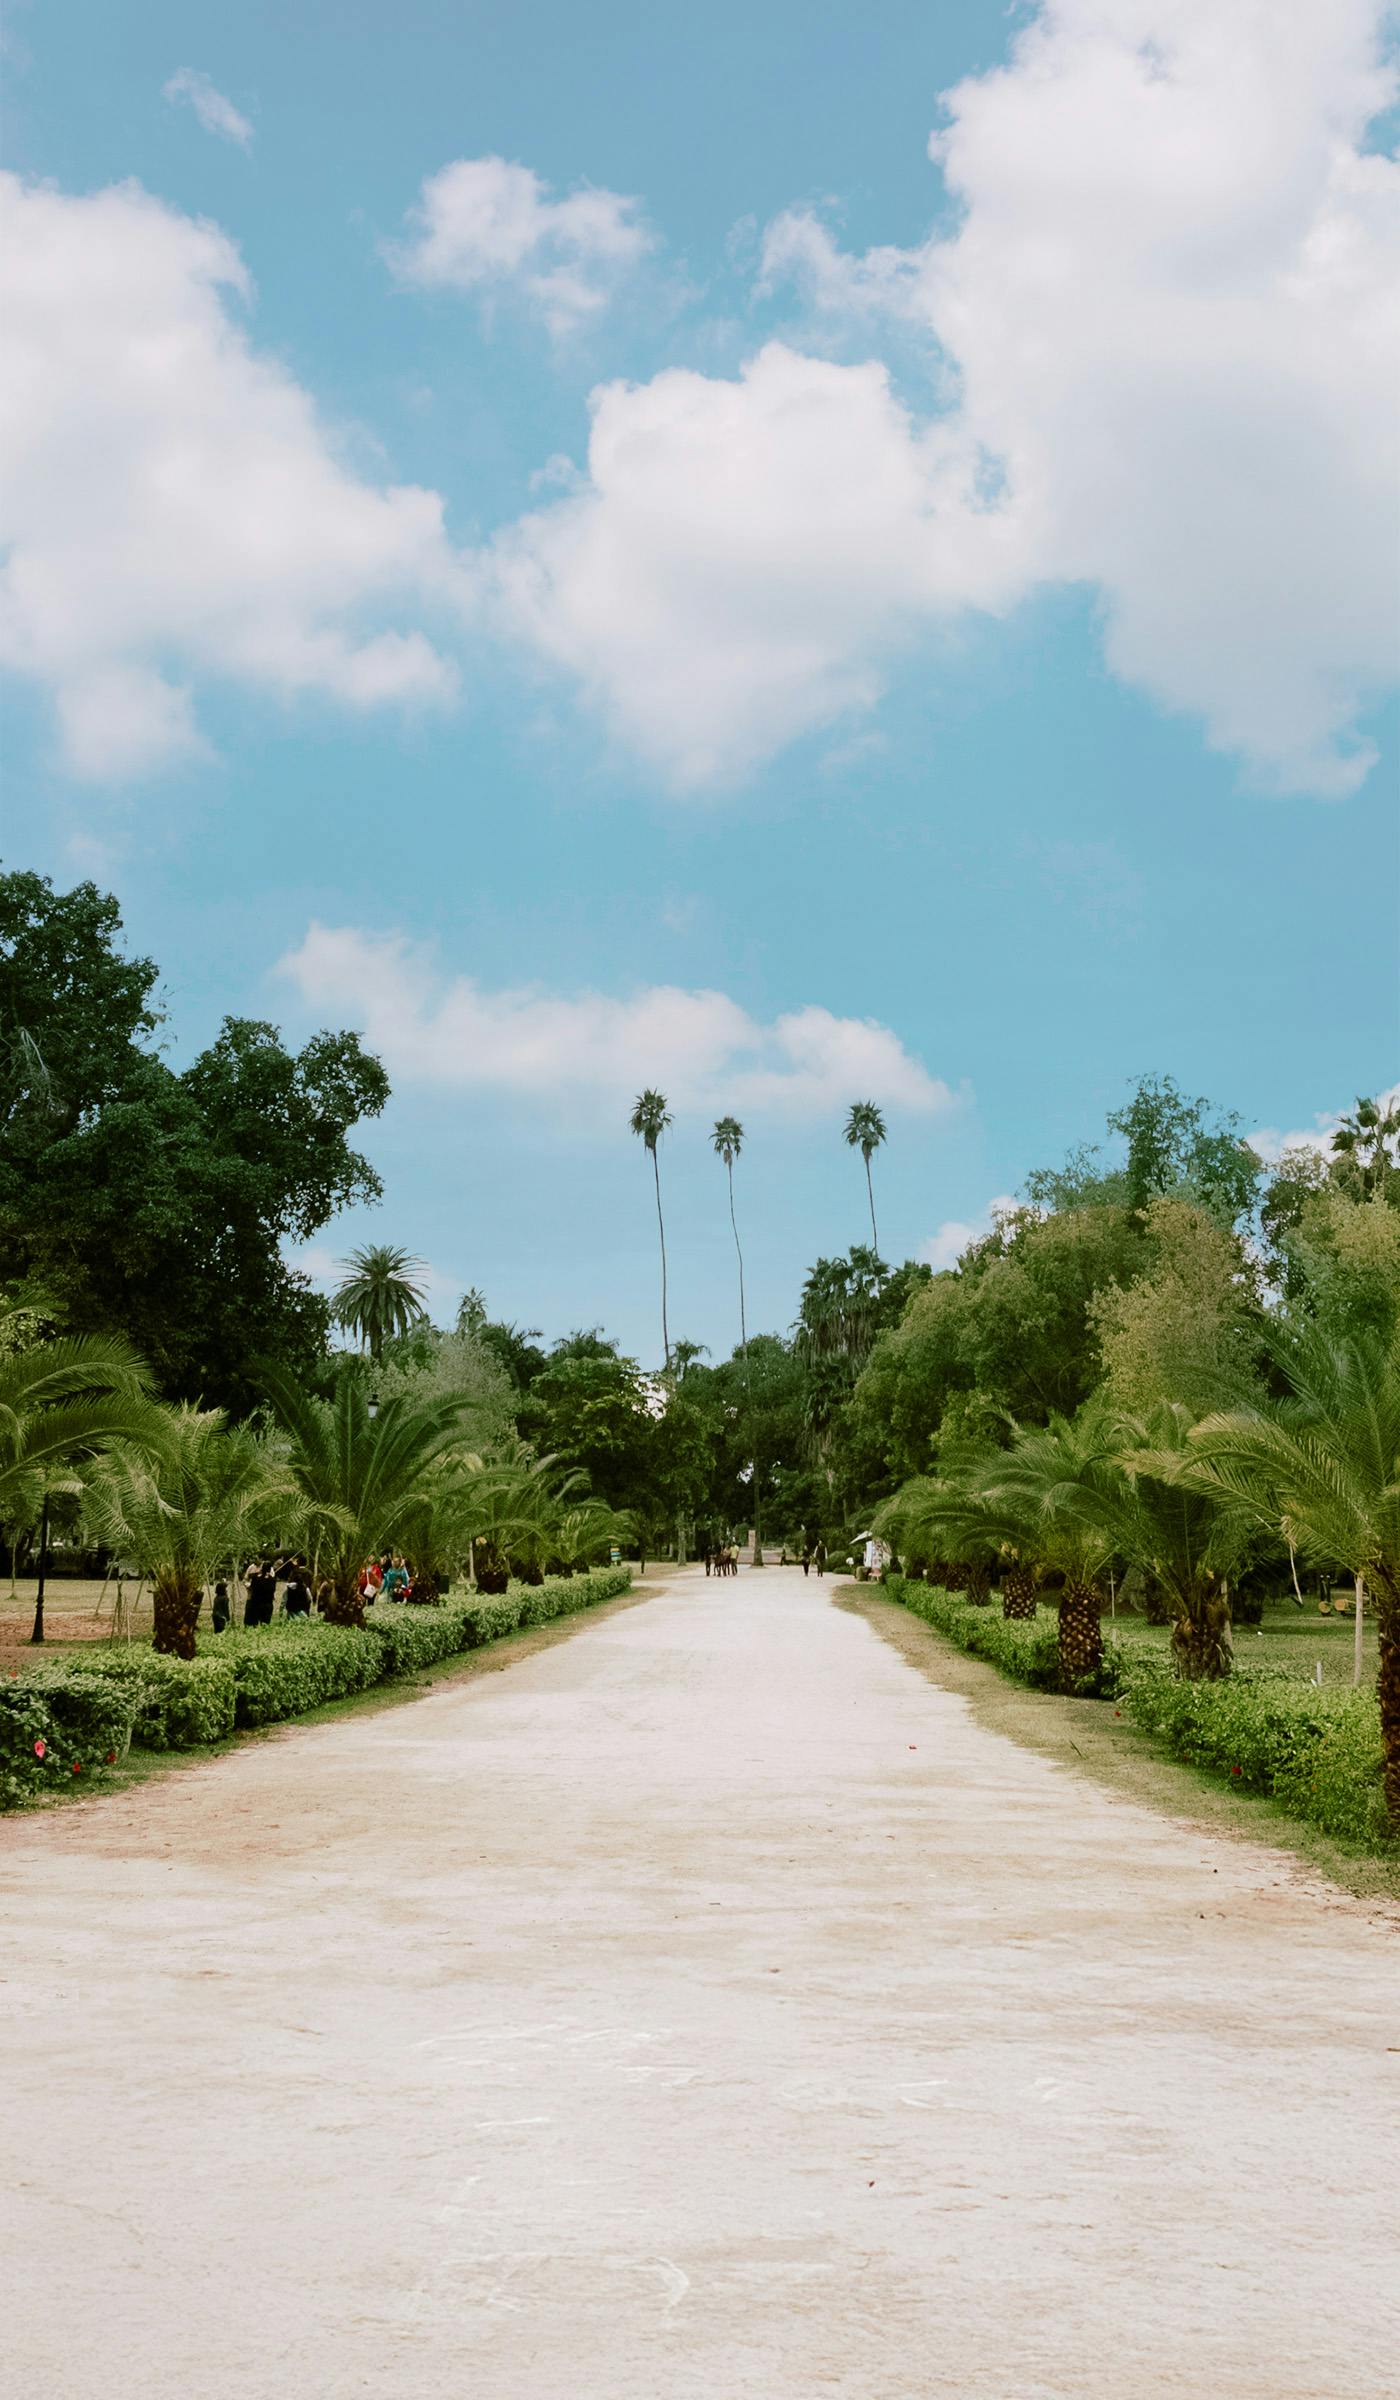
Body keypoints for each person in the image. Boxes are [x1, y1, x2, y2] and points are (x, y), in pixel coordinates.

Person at [243, 1557, 275, 1627]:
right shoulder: (251, 1568)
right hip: (259, 1600)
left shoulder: (256, 1578)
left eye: (256, 1558)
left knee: (258, 1622)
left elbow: (254, 1587)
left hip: (258, 1601)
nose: (254, 1560)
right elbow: (245, 1580)